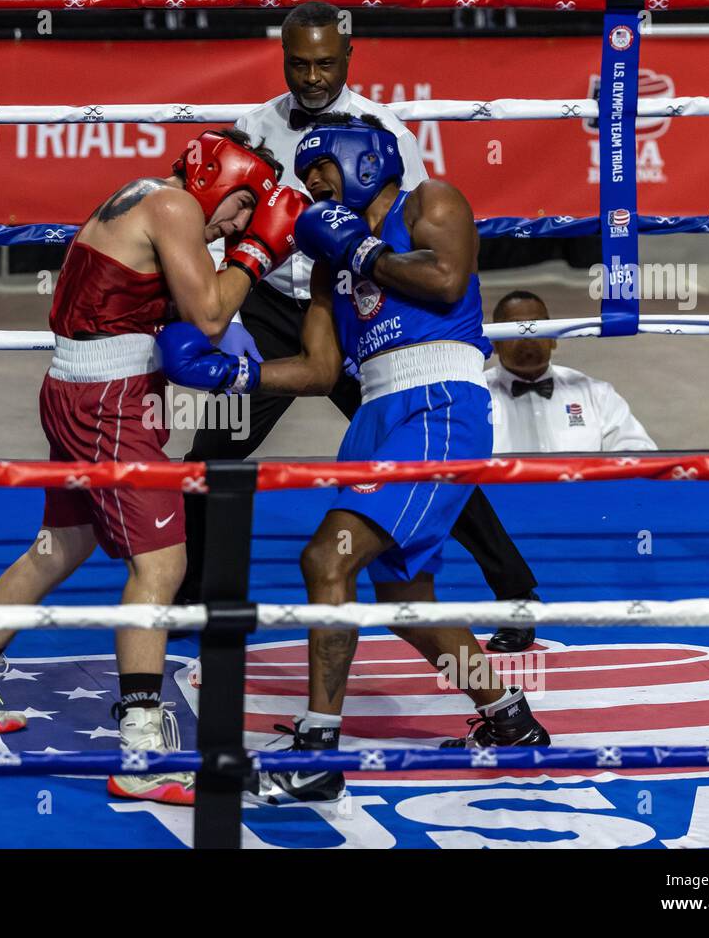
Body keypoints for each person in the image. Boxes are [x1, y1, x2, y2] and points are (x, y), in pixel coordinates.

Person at [161, 115, 550, 804]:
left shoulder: (431, 202)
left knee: (326, 559)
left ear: (364, 160)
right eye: (306, 180)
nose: (312, 187)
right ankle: (509, 718)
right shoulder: (329, 263)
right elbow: (318, 370)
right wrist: (233, 377)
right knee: (404, 597)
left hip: (440, 404)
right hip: (374, 414)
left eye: (321, 172)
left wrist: (361, 249)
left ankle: (317, 751)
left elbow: (448, 280)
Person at [0, 129, 308, 806]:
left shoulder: (145, 195)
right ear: (221, 177)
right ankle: (141, 756)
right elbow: (210, 314)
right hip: (108, 402)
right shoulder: (177, 208)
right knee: (161, 566)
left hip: (86, 388)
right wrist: (259, 249)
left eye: (251, 215)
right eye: (244, 203)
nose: (241, 221)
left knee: (60, 546)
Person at [180, 0, 540, 654]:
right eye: (299, 64)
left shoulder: (384, 128)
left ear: (348, 57)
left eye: (324, 63)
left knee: (425, 452)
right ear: (282, 58)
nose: (312, 77)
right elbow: (222, 210)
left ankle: (513, 584)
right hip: (270, 301)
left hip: (352, 300)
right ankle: (193, 597)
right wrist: (218, 302)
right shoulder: (254, 125)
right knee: (216, 446)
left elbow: (416, 226)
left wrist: (372, 277)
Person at [487, 291, 658, 452]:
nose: (528, 336)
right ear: (494, 343)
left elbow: (638, 450)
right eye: (515, 329)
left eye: (537, 327)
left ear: (554, 339)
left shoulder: (596, 394)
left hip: (587, 484)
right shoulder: (472, 396)